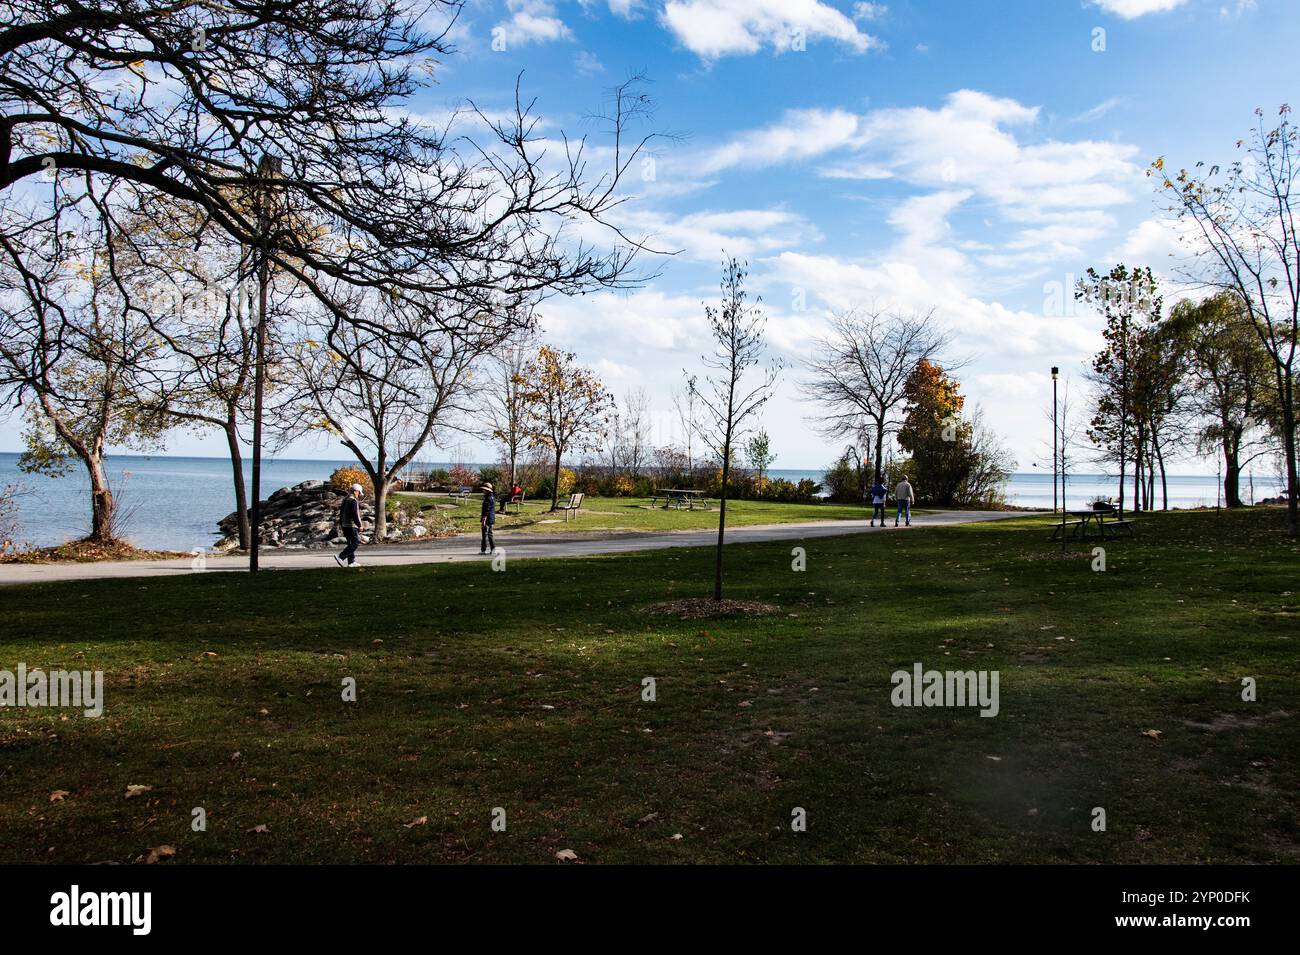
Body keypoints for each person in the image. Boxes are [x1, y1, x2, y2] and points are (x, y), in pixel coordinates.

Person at [335, 482, 364, 567]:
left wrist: (341, 523)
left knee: (350, 543)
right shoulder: (353, 500)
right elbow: (355, 514)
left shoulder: (345, 499)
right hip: (351, 525)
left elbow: (341, 512)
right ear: (356, 491)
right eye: (359, 493)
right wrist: (360, 525)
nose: (359, 495)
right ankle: (340, 556)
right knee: (355, 543)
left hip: (344, 524)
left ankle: (351, 562)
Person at [480, 482, 497, 554]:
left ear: (487, 490)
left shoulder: (488, 499)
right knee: (489, 534)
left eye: (484, 489)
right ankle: (491, 550)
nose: (483, 491)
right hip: (491, 518)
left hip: (487, 519)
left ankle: (484, 550)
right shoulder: (492, 497)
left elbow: (486, 510)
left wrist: (484, 519)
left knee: (485, 535)